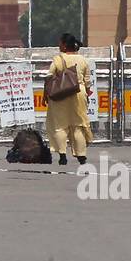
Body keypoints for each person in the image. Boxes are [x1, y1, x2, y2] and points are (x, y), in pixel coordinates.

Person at [46, 33, 93, 166]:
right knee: (78, 125)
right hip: (79, 92)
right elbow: (87, 80)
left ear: (65, 46)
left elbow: (49, 75)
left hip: (61, 93)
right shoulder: (83, 60)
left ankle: (62, 154)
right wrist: (87, 92)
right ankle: (81, 156)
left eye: (60, 43)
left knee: (60, 125)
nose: (59, 46)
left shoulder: (58, 59)